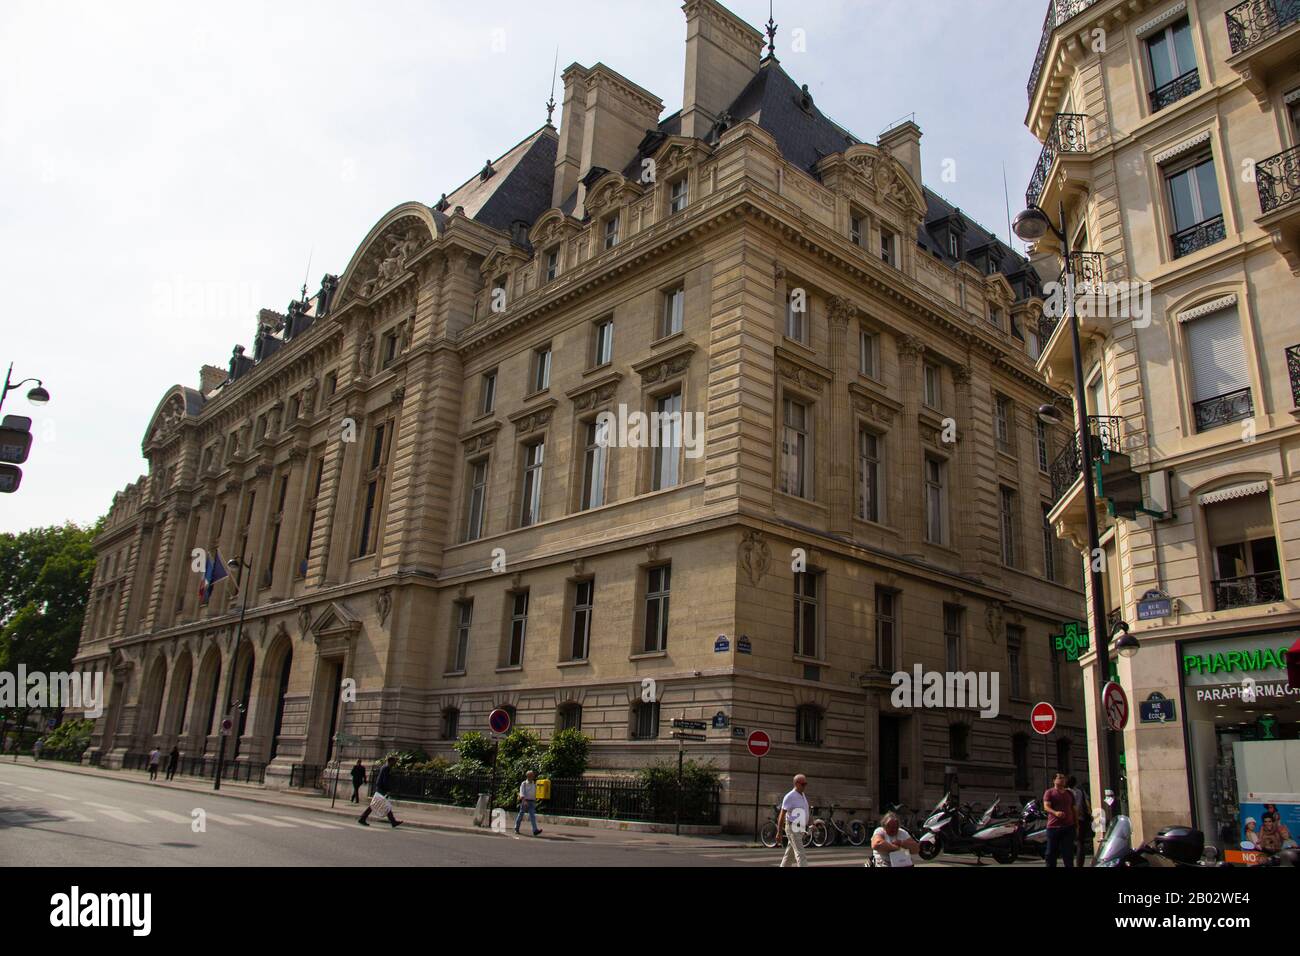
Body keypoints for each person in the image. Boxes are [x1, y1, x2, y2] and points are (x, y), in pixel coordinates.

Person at [776, 773, 811, 868]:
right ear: (796, 783)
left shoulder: (802, 795)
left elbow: (806, 810)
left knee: (789, 855)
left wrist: (811, 823)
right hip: (793, 828)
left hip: (801, 828)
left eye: (806, 784)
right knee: (800, 853)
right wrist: (779, 832)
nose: (805, 786)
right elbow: (782, 815)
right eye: (803, 784)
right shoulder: (789, 796)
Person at [1043, 771, 1077, 868]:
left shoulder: (1069, 793)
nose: (1063, 780)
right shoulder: (1049, 792)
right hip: (1053, 827)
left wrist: (1076, 825)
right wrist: (1055, 813)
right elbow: (1046, 807)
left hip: (1068, 827)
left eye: (1064, 778)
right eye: (1060, 778)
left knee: (1068, 854)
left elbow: (1074, 809)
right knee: (1051, 853)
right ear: (1054, 780)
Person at [358, 756, 403, 828]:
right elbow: (385, 780)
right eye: (394, 761)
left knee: (382, 804)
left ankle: (393, 821)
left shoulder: (384, 767)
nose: (394, 763)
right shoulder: (386, 768)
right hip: (382, 789)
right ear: (390, 761)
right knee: (379, 804)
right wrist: (387, 789)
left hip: (380, 788)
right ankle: (362, 818)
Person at [1068, 775, 1091, 867]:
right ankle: (1079, 864)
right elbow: (1087, 803)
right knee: (1080, 843)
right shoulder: (1080, 791)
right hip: (1080, 819)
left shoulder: (1065, 792)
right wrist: (1090, 814)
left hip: (1069, 820)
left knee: (1068, 843)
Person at [515, 770, 542, 836]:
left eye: (533, 775)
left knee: (532, 816)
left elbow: (535, 792)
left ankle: (535, 830)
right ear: (528, 776)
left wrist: (536, 798)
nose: (532, 776)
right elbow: (522, 793)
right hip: (525, 801)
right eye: (531, 775)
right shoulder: (524, 783)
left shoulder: (534, 783)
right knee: (521, 815)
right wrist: (524, 800)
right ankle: (516, 828)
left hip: (532, 801)